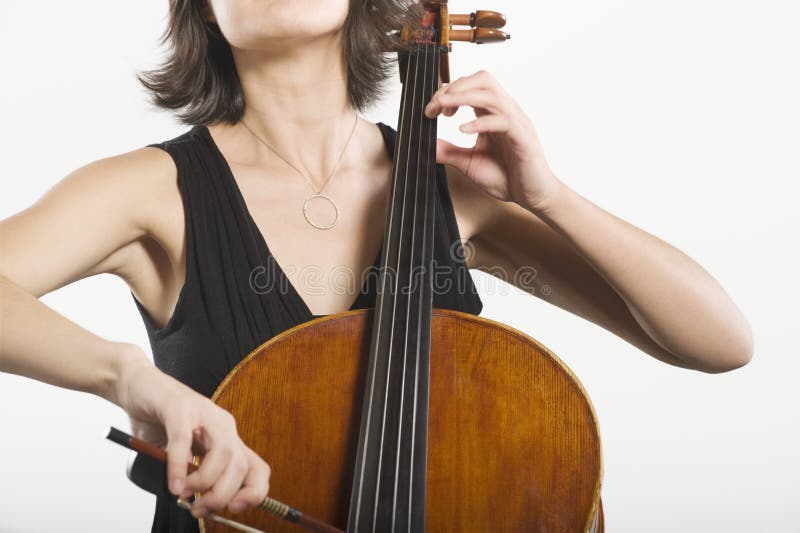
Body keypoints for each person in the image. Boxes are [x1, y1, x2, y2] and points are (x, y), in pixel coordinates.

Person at [0, 0, 754, 531]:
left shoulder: (454, 192)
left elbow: (719, 342)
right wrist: (128, 376)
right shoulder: (147, 191)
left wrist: (549, 196)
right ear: (203, 10)